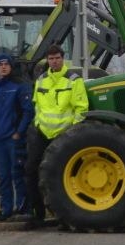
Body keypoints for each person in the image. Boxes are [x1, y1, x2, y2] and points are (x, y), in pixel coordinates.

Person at [26, 45, 88, 229]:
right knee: (31, 171)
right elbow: (37, 105)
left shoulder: (73, 80)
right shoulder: (41, 79)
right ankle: (37, 214)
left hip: (64, 135)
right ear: (47, 60)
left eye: (57, 58)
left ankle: (63, 216)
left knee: (61, 177)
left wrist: (71, 132)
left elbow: (81, 109)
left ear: (63, 58)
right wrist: (38, 123)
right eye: (51, 59)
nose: (54, 61)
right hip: (42, 133)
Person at [0, 54, 33, 221]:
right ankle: (5, 209)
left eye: (6, 64)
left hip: (13, 138)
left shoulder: (19, 86)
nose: (3, 67)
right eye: (0, 64)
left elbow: (28, 111)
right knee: (3, 176)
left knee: (17, 174)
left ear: (11, 66)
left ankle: (22, 208)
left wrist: (18, 132)